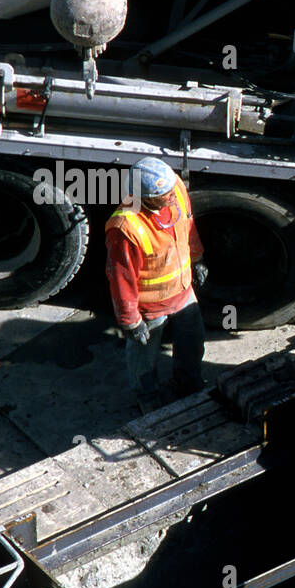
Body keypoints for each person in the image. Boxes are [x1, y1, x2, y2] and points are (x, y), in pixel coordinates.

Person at [105, 157, 208, 413]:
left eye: (171, 190)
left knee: (192, 341)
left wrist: (197, 259)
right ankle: (148, 398)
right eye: (163, 196)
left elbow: (188, 226)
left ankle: (188, 384)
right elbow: (121, 277)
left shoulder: (177, 191)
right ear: (145, 199)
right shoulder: (126, 227)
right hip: (150, 306)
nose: (171, 197)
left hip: (183, 291)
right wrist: (131, 321)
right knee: (143, 356)